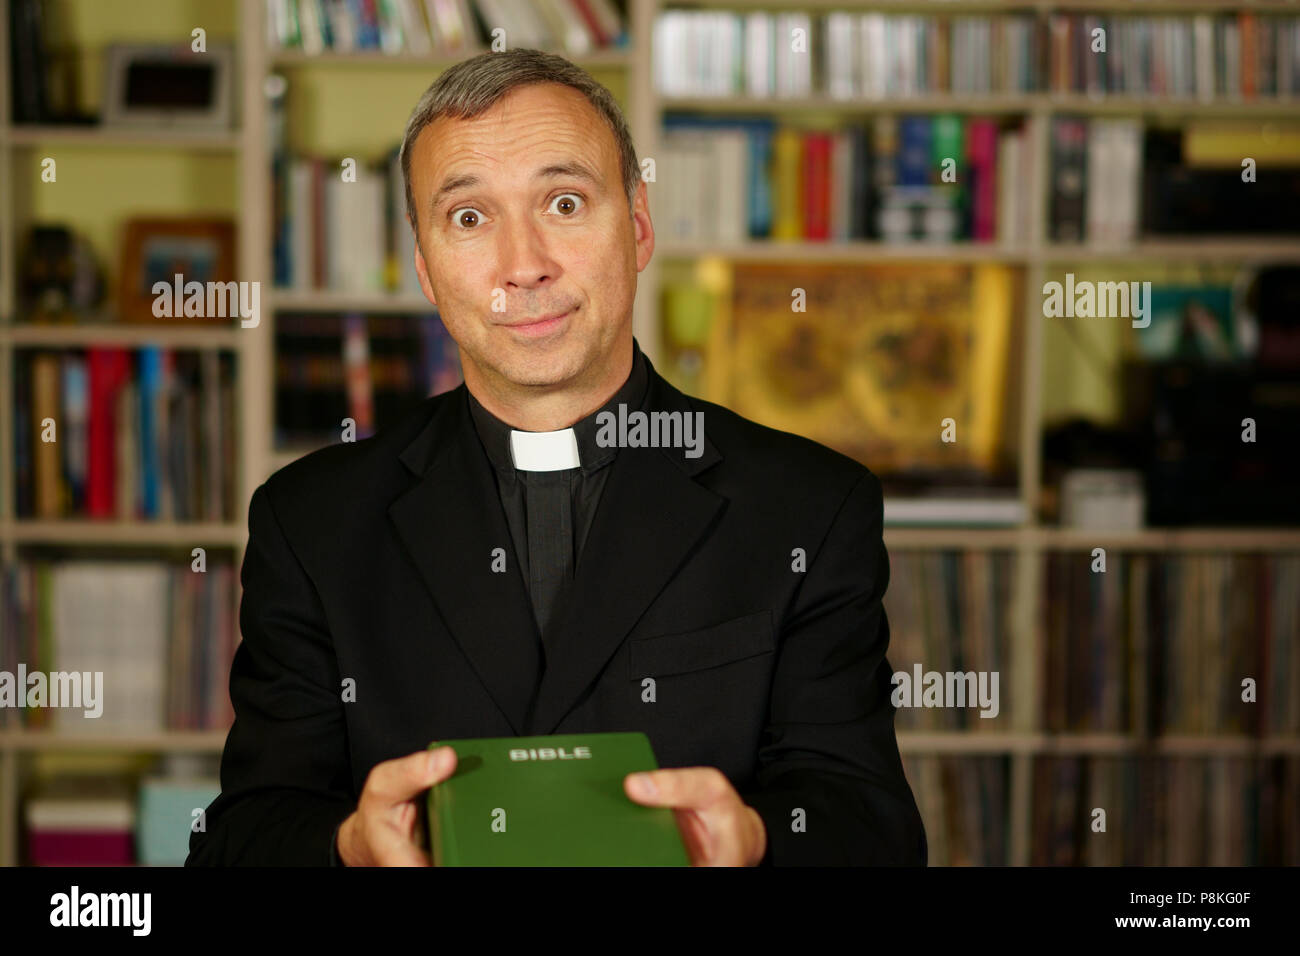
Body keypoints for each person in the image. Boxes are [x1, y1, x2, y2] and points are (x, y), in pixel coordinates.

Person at [187, 48, 925, 867]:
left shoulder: (810, 508)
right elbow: (242, 838)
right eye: (469, 218)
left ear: (638, 226)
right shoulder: (310, 521)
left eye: (564, 202)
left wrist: (755, 840)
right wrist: (349, 848)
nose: (523, 266)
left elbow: (873, 830)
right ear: (426, 267)